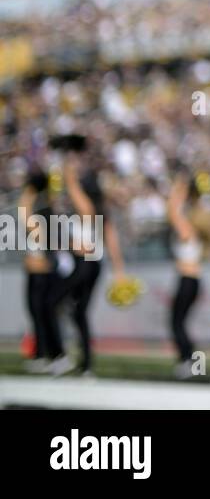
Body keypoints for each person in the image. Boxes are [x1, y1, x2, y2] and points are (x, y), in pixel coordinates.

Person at [49, 153, 128, 376]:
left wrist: (67, 162)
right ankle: (87, 365)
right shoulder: (100, 211)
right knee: (79, 312)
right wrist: (119, 271)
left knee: (52, 302)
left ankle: (60, 357)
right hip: (93, 265)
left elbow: (72, 186)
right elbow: (112, 243)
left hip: (84, 264)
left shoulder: (86, 207)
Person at [166, 172, 210, 380]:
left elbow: (172, 212)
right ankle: (192, 363)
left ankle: (188, 361)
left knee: (176, 322)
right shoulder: (194, 228)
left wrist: (178, 188)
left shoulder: (189, 229)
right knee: (180, 323)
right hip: (192, 280)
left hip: (187, 280)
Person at [19, 168, 74, 376]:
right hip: (40, 272)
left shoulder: (45, 212)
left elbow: (26, 218)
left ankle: (55, 355)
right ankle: (46, 355)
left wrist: (29, 192)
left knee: (43, 313)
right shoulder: (43, 208)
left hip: (43, 273)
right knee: (39, 314)